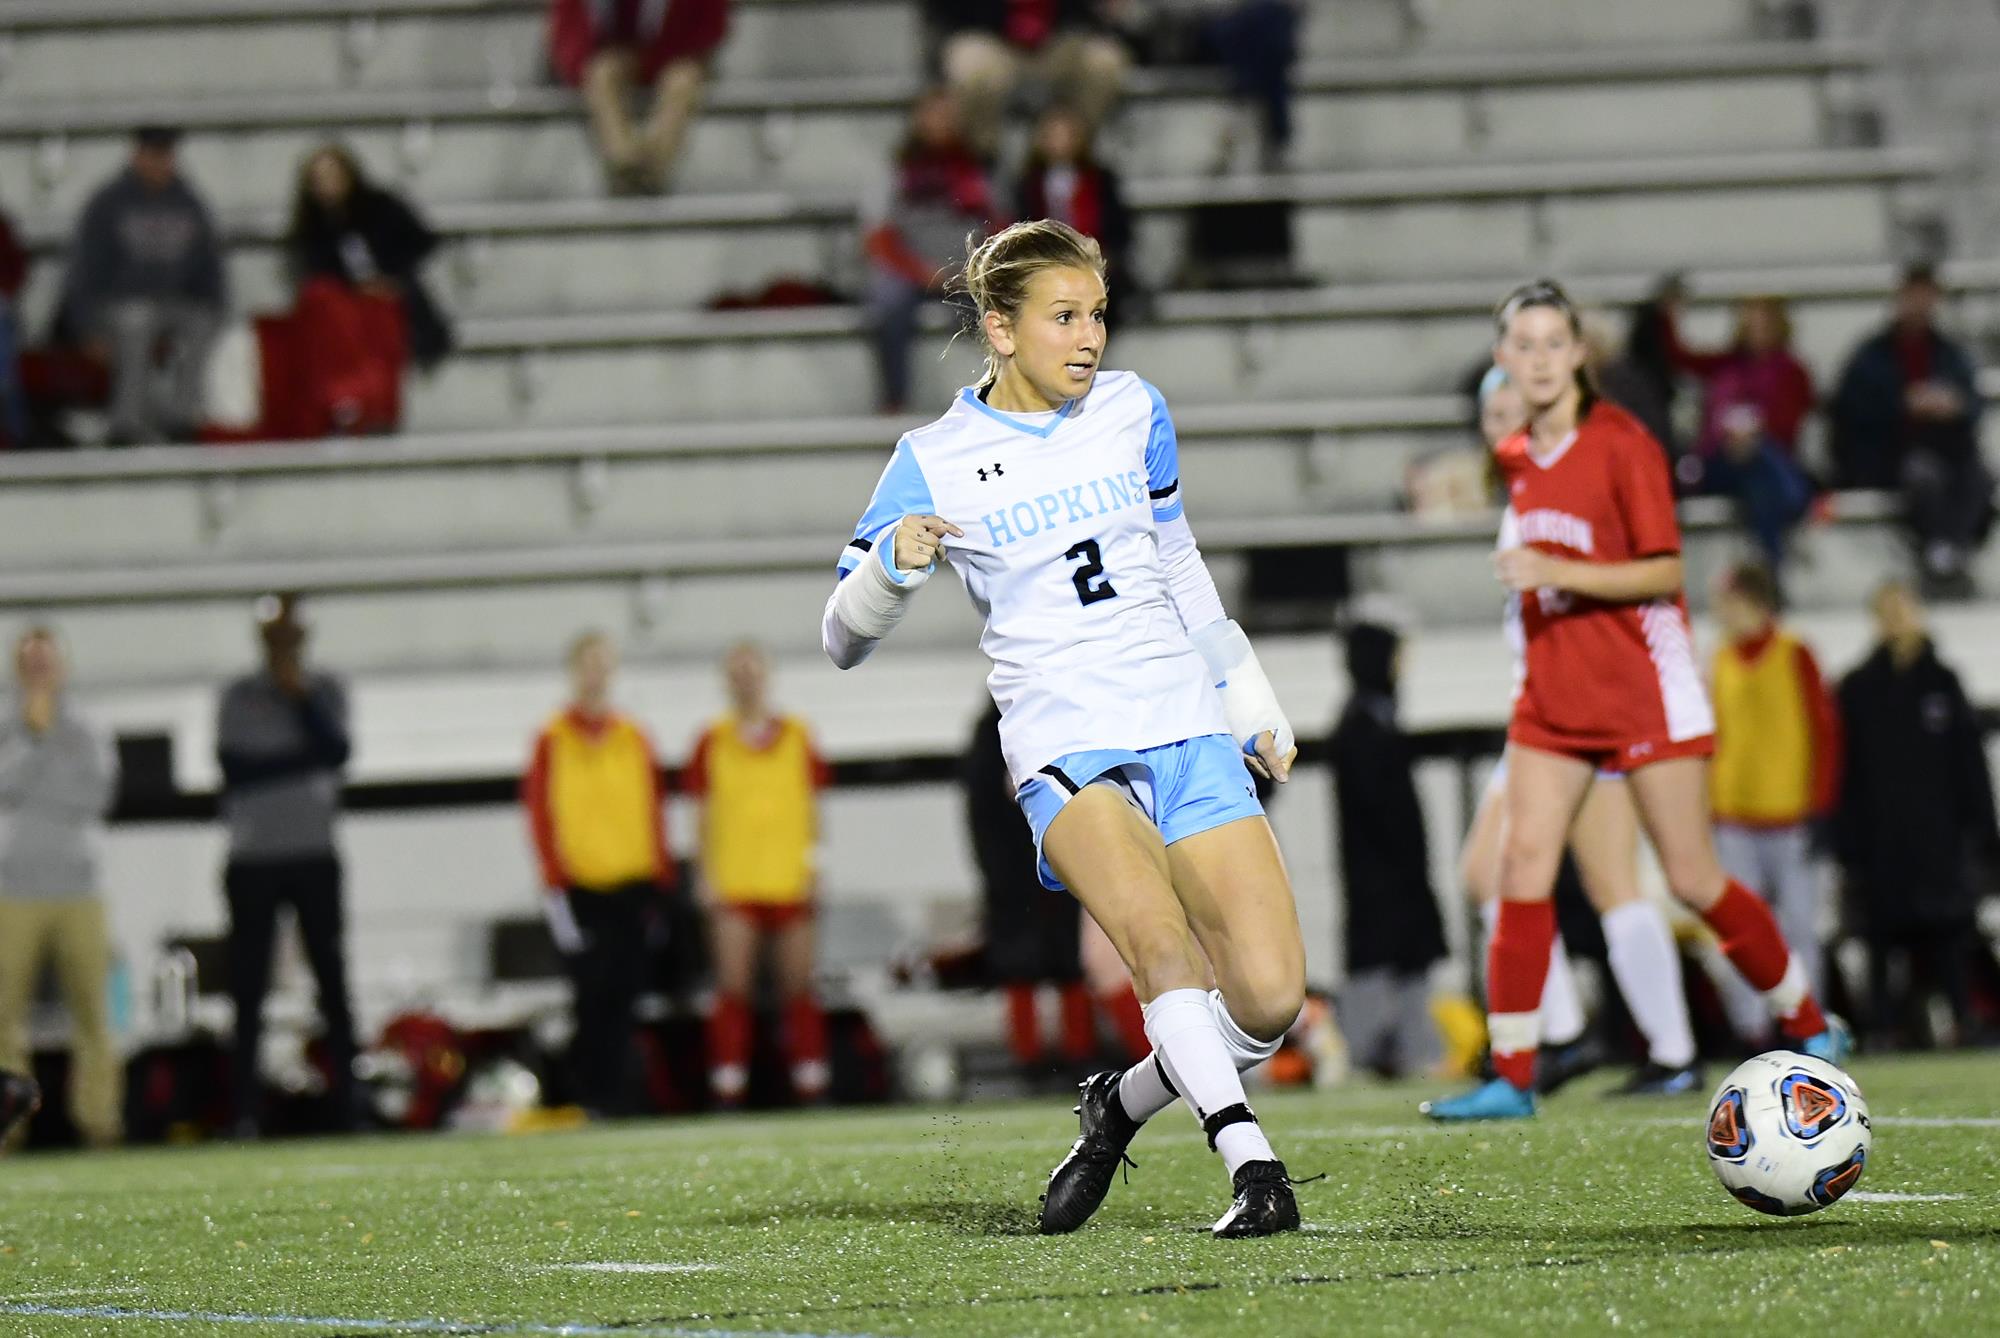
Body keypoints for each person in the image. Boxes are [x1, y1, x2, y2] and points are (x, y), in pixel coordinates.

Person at [823, 219, 1309, 1236]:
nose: (1088, 337)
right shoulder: (934, 459)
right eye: (1063, 316)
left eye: (1096, 314)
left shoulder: (1134, 410)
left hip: (1182, 718)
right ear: (999, 330)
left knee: (1270, 1000)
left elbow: (1175, 557)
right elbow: (840, 638)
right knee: (1159, 947)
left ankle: (1118, 1104)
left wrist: (1245, 693)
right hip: (1064, 739)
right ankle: (1253, 1167)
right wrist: (892, 569)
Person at [1424, 280, 1847, 1122]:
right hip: (1554, 697)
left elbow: (1663, 569)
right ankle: (1514, 1075)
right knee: (1519, 868)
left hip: (1644, 689)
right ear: (1503, 358)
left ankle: (1808, 1019)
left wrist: (1555, 570)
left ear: (1579, 353)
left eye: (1554, 343)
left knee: (1692, 877)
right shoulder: (1518, 456)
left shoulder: (1623, 443)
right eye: (1523, 346)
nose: (1540, 360)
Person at [1460, 368, 1704, 1097]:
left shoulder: (1567, 482)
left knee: (1588, 879)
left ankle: (1596, 1043)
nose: (1498, 423)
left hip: (1574, 712)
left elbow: (1625, 576)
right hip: (1548, 710)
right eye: (1489, 412)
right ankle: (1638, 1047)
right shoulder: (1525, 488)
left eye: (1510, 408)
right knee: (1555, 878)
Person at [1835, 580, 1999, 1048]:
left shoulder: (1942, 681)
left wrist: (1984, 830)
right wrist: (1845, 837)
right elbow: (1847, 769)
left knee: (1950, 931)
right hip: (1881, 834)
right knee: (1881, 936)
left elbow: (1969, 763)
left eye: (1903, 609)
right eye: (1887, 611)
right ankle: (1882, 1026)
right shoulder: (1859, 687)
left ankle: (1964, 1017)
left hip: (1938, 832)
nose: (1896, 620)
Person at [216, 595, 356, 1136]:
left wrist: (301, 702)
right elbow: (235, 767)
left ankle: (350, 1106)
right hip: (252, 859)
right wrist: (303, 759)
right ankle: (244, 1111)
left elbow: (336, 750)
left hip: (314, 855)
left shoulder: (327, 690)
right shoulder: (238, 695)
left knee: (332, 981)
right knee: (248, 986)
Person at [522, 631, 675, 1115]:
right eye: (587, 664)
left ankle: (620, 1095)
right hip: (581, 888)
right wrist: (553, 884)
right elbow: (540, 815)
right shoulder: (552, 739)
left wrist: (662, 879)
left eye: (602, 664)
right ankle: (590, 1096)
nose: (595, 674)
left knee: (626, 995)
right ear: (574, 671)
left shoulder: (634, 736)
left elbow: (653, 808)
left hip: (632, 884)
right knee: (590, 994)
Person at [683, 642, 831, 1107]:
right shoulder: (711, 741)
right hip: (736, 880)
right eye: (737, 673)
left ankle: (811, 1083)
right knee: (734, 988)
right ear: (727, 681)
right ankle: (729, 1086)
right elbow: (701, 814)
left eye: (753, 671)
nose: (746, 681)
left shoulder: (798, 736)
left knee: (799, 985)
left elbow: (813, 807)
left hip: (788, 877)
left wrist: (816, 864)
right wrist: (704, 874)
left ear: (766, 677)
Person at [0, 628, 122, 1147]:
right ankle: (10, 1127)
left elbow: (96, 795)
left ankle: (100, 1124)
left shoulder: (88, 726)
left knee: (94, 1014)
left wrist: (31, 779)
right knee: (4, 1015)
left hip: (79, 889)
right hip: (13, 890)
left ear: (61, 666)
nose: (38, 669)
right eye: (30, 661)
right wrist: (34, 740)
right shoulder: (6, 726)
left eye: (45, 660)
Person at [1708, 560, 1840, 1035]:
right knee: (1739, 932)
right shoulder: (1720, 660)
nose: (1721, 611)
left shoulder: (1793, 652)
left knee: (1800, 926)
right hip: (1733, 819)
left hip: (1791, 816)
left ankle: (1808, 1027)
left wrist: (1822, 804)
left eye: (1729, 600)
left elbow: (1824, 731)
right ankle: (1749, 1030)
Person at [1829, 264, 1992, 596]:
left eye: (1926, 296)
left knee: (1980, 478)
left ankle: (1949, 552)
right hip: (1889, 453)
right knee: (1923, 476)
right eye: (1913, 296)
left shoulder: (1950, 352)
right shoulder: (1871, 354)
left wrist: (1953, 405)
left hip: (1947, 448)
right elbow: (1850, 409)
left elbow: (1973, 403)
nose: (1919, 304)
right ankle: (1941, 554)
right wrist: (1902, 404)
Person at [1329, 620, 1445, 1079]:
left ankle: (1415, 1051)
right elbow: (1382, 813)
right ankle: (1366, 1052)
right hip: (1380, 879)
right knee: (1379, 962)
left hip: (1396, 878)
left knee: (1408, 965)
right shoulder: (1361, 725)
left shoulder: (1378, 718)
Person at [61, 126, 226, 444]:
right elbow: (85, 271)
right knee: (137, 320)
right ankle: (126, 423)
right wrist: (86, 329)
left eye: (166, 155)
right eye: (154, 154)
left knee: (203, 322)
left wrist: (215, 306)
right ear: (137, 156)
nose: (160, 162)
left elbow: (210, 267)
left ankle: (182, 419)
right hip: (120, 304)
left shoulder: (189, 203)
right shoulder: (108, 203)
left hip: (174, 302)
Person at [863, 89, 1002, 414]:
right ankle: (894, 399)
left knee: (1005, 307)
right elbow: (878, 236)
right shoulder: (896, 171)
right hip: (910, 271)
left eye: (949, 115)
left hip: (969, 272)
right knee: (887, 302)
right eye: (935, 115)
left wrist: (974, 269)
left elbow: (1003, 228)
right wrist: (921, 271)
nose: (943, 123)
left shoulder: (981, 169)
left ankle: (1006, 396)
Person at [286, 144, 453, 373]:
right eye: (319, 180)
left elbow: (422, 241)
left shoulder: (381, 206)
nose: (328, 185)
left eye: (333, 175)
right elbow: (319, 273)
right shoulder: (313, 227)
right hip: (350, 309)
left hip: (396, 296)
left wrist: (389, 277)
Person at [547, 0, 730, 193]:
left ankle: (651, 168)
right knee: (601, 73)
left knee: (682, 81)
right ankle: (625, 162)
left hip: (673, 58)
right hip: (613, 56)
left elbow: (709, 31)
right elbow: (568, 37)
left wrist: (650, 59)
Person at [926, 0, 1134, 157]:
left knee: (1103, 61)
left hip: (1058, 37)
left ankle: (1071, 159)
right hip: (991, 36)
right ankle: (983, 160)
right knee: (972, 67)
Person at [1013, 106, 1136, 317]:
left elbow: (1118, 229)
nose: (1061, 142)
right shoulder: (1029, 185)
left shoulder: (1101, 180)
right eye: (1053, 135)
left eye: (1067, 134)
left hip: (1095, 263)